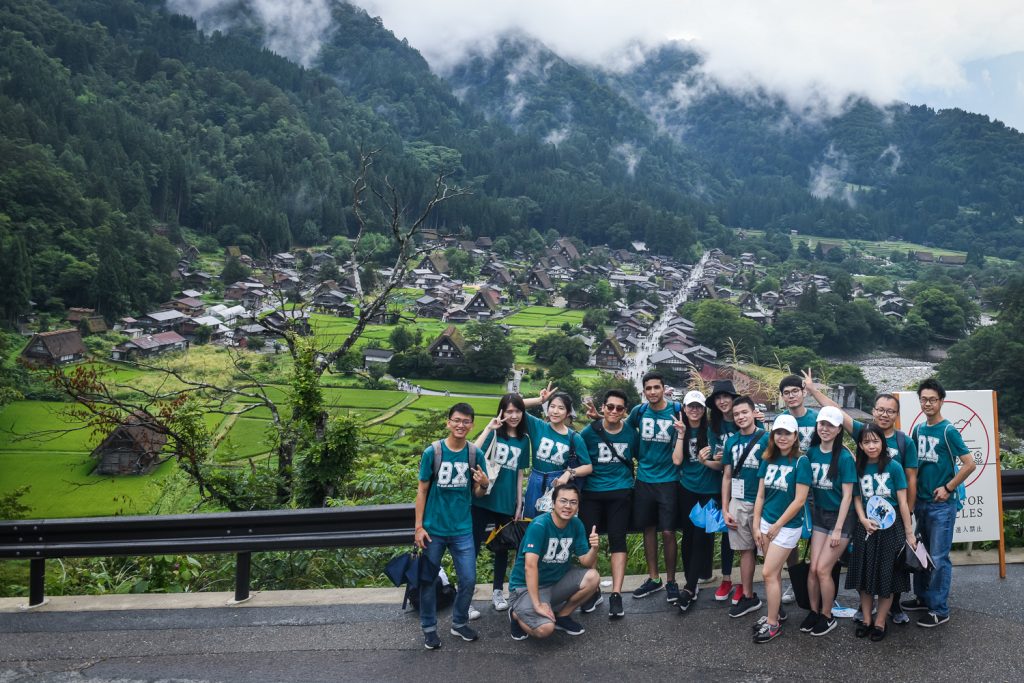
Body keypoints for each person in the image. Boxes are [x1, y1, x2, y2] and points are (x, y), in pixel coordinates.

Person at [802, 370, 920, 624]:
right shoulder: (863, 432)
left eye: (890, 411)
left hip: (895, 518)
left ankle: (893, 607)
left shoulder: (904, 442)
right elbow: (836, 413)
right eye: (880, 409)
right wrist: (812, 390)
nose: (884, 414)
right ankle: (865, 612)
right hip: (865, 518)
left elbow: (911, 480)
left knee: (892, 565)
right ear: (874, 411)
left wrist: (907, 513)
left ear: (896, 415)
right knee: (866, 564)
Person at [414, 403, 491, 650]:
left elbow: (478, 493)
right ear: (448, 422)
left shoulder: (474, 454)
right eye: (456, 420)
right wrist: (418, 527)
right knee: (427, 581)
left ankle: (459, 623)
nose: (461, 425)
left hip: (462, 529)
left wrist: (485, 484)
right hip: (433, 529)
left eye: (466, 421)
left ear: (472, 425)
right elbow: (422, 490)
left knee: (468, 579)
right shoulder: (433, 452)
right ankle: (429, 628)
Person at [900, 378, 975, 627]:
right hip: (921, 502)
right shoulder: (919, 430)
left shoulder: (948, 430)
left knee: (939, 557)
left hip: (942, 505)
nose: (928, 403)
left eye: (933, 399)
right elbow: (912, 468)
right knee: (922, 553)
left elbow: (969, 463)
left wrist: (948, 487)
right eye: (924, 399)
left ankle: (940, 609)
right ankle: (923, 597)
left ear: (941, 401)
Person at [847, 423, 916, 641]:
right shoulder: (858, 467)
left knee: (889, 576)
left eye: (875, 441)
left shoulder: (894, 467)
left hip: (891, 527)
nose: (871, 445)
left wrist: (909, 533)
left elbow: (903, 502)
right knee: (865, 576)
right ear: (860, 444)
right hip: (867, 528)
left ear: (883, 442)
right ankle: (867, 619)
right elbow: (857, 498)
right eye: (866, 442)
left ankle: (880, 622)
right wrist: (863, 519)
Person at [507, 484, 601, 640]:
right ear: (553, 503)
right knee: (545, 629)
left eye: (573, 502)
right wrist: (537, 604)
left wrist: (594, 549)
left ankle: (562, 616)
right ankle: (516, 614)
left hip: (556, 583)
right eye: (563, 501)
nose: (568, 506)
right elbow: (530, 566)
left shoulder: (576, 525)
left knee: (593, 577)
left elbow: (585, 561)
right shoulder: (539, 525)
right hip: (525, 589)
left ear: (578, 506)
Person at [752, 414, 811, 644]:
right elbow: (760, 495)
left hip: (786, 527)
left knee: (767, 573)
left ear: (795, 436)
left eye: (787, 433)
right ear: (773, 435)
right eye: (779, 432)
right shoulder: (768, 459)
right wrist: (757, 525)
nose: (783, 437)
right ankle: (774, 614)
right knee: (772, 574)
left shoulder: (800, 462)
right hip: (767, 522)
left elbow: (799, 500)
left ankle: (773, 623)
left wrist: (777, 525)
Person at [579, 389, 637, 619]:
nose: (614, 411)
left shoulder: (631, 434)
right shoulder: (588, 433)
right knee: (589, 542)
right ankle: (593, 590)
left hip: (621, 492)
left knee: (617, 540)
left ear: (625, 411)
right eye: (610, 406)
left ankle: (615, 594)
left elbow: (643, 456)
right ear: (603, 408)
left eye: (619, 408)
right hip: (592, 493)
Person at [801, 406, 856, 637]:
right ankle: (814, 611)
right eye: (822, 424)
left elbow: (847, 497)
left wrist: (838, 529)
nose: (825, 429)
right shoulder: (811, 452)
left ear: (839, 429)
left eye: (830, 425)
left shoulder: (844, 457)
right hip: (820, 514)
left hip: (840, 519)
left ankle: (827, 615)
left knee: (824, 569)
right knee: (813, 569)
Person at [472, 394, 531, 612]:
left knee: (502, 548)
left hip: (506, 502)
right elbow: (473, 450)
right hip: (481, 498)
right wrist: (488, 428)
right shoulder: (495, 433)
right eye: (509, 411)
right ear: (502, 412)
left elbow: (519, 474)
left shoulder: (524, 440)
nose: (513, 416)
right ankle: (466, 594)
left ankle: (498, 591)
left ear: (522, 413)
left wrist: (518, 504)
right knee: (473, 547)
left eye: (517, 411)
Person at [628, 372, 683, 602]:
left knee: (669, 532)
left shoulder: (676, 409)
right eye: (648, 388)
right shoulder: (638, 412)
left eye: (656, 387)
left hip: (669, 480)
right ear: (644, 390)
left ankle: (671, 581)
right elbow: (625, 431)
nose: (652, 392)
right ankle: (654, 578)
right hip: (644, 479)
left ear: (663, 388)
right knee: (648, 529)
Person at [672, 390, 722, 612]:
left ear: (704, 410)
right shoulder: (679, 430)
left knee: (702, 537)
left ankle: (690, 588)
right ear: (684, 408)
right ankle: (692, 579)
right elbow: (676, 461)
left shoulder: (713, 431)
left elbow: (722, 463)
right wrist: (681, 435)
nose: (694, 410)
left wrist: (708, 461)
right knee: (689, 537)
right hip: (687, 489)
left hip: (710, 491)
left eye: (699, 407)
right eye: (690, 406)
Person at [720, 396, 768, 619]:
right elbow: (727, 476)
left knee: (769, 553)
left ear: (753, 412)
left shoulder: (767, 439)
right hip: (738, 502)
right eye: (736, 414)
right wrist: (725, 507)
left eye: (744, 412)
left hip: (764, 502)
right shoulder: (731, 442)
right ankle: (748, 596)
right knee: (745, 550)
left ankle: (775, 600)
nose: (740, 417)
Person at [777, 374, 818, 606]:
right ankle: (794, 579)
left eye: (795, 391)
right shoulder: (780, 420)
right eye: (786, 393)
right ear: (782, 397)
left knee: (816, 535)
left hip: (816, 486)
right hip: (789, 486)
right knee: (789, 536)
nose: (791, 396)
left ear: (803, 392)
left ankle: (813, 578)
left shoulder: (816, 418)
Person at [522, 388, 592, 518]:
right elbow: (514, 404)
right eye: (552, 406)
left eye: (560, 408)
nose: (555, 411)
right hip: (535, 481)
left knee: (554, 524)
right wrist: (540, 400)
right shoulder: (538, 426)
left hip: (558, 483)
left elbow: (588, 467)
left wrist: (569, 473)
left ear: (567, 413)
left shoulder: (574, 437)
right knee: (530, 523)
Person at [707, 380, 746, 604]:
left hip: (745, 488)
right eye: (718, 398)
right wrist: (708, 461)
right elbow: (717, 461)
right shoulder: (714, 426)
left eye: (726, 397)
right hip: (723, 484)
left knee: (744, 535)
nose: (722, 401)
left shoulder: (745, 421)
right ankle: (727, 578)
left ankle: (743, 582)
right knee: (726, 532)